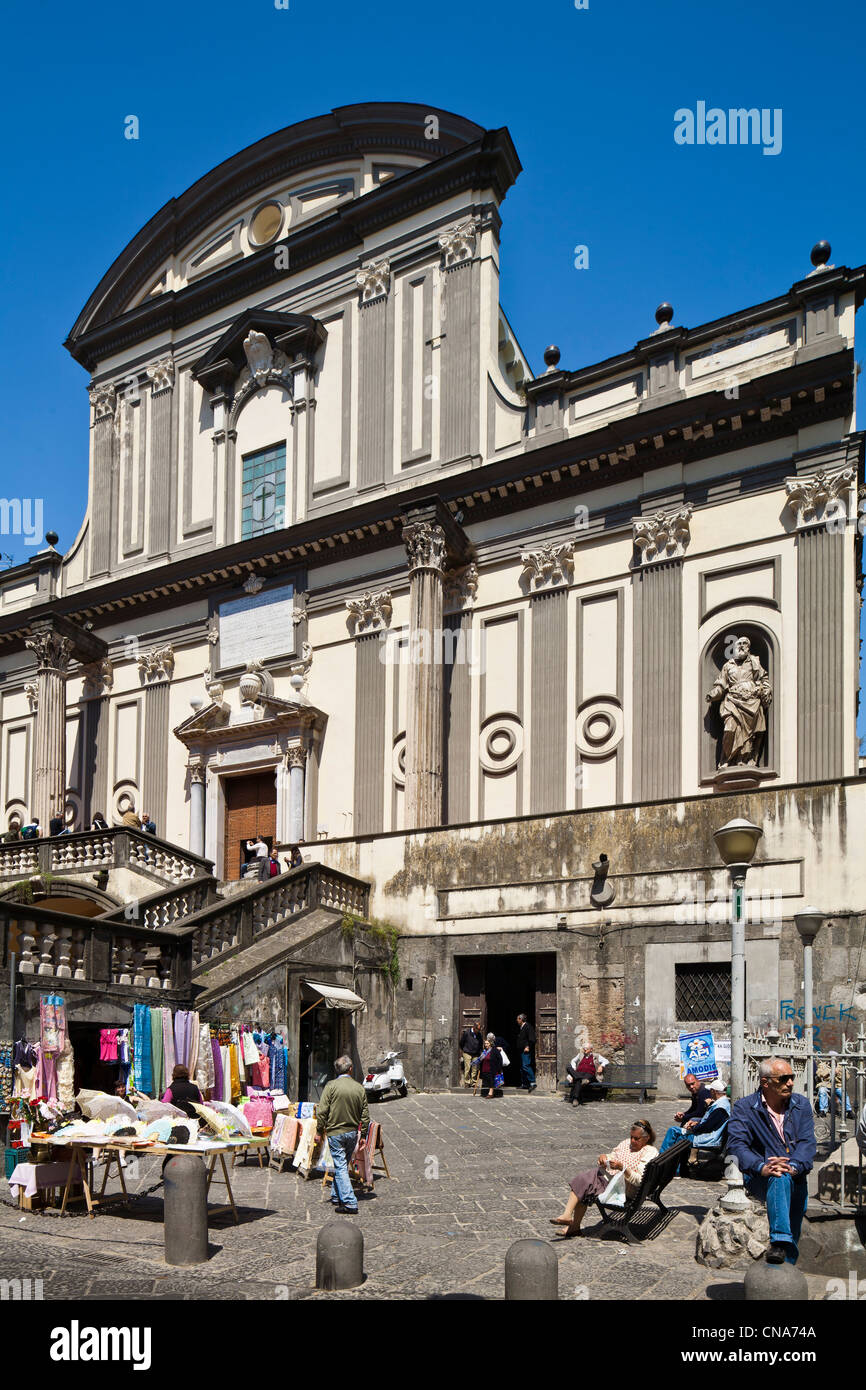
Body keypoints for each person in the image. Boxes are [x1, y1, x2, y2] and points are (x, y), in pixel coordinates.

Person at [727, 1056, 816, 1265]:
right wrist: (762, 1166)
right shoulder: (745, 1108)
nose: (791, 1083)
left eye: (791, 1077)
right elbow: (736, 1145)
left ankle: (785, 1273)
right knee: (779, 1177)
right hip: (762, 1176)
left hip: (798, 1173)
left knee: (794, 1228)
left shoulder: (800, 1104)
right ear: (765, 1082)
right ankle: (778, 1241)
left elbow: (807, 1143)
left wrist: (793, 1165)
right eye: (784, 1078)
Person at [550, 1119, 658, 1236]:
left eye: (636, 1139)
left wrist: (623, 1168)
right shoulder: (626, 1143)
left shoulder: (649, 1152)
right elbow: (613, 1155)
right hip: (611, 1180)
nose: (632, 1141)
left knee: (586, 1181)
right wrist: (604, 1157)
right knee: (586, 1181)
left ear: (646, 1138)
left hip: (625, 1190)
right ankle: (572, 1223)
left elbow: (639, 1180)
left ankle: (570, 1220)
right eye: (631, 1137)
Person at [315, 1055, 370, 1214]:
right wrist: (364, 1135)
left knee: (340, 1166)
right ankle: (336, 1196)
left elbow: (322, 1111)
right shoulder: (359, 1088)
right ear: (351, 1069)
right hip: (352, 1133)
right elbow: (365, 1115)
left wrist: (319, 1130)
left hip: (336, 1133)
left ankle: (350, 1202)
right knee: (342, 1165)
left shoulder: (331, 1086)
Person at [658, 1077, 731, 1170]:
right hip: (708, 1135)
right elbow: (708, 1122)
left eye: (711, 1091)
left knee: (677, 1136)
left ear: (714, 1091)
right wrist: (696, 1123)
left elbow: (707, 1127)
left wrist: (693, 1127)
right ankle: (668, 1163)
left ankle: (664, 1163)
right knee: (674, 1131)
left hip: (709, 1139)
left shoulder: (720, 1108)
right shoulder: (721, 1104)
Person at [473, 1033, 505, 1098]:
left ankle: (490, 1093)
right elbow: (481, 1060)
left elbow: (500, 1059)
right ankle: (490, 1092)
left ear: (490, 1044)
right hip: (485, 1069)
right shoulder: (484, 1051)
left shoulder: (494, 1050)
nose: (486, 1045)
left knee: (491, 1081)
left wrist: (499, 1068)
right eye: (485, 1044)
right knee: (487, 1081)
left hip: (492, 1069)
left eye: (487, 1043)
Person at [516, 1013, 537, 1092]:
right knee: (522, 1067)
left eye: (518, 1019)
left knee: (526, 1066)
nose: (517, 1020)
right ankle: (525, 1084)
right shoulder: (522, 1027)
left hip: (525, 1050)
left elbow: (532, 1039)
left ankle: (532, 1082)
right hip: (521, 1050)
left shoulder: (528, 1027)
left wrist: (527, 1046)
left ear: (521, 1019)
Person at [458, 1020, 483, 1087]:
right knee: (468, 1067)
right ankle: (467, 1082)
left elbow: (481, 1043)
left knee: (474, 1068)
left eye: (479, 1029)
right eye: (478, 1029)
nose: (479, 1031)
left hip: (476, 1053)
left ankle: (473, 1082)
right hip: (467, 1052)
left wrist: (480, 1052)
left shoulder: (479, 1034)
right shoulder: (467, 1033)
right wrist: (464, 1049)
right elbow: (461, 1042)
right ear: (474, 1028)